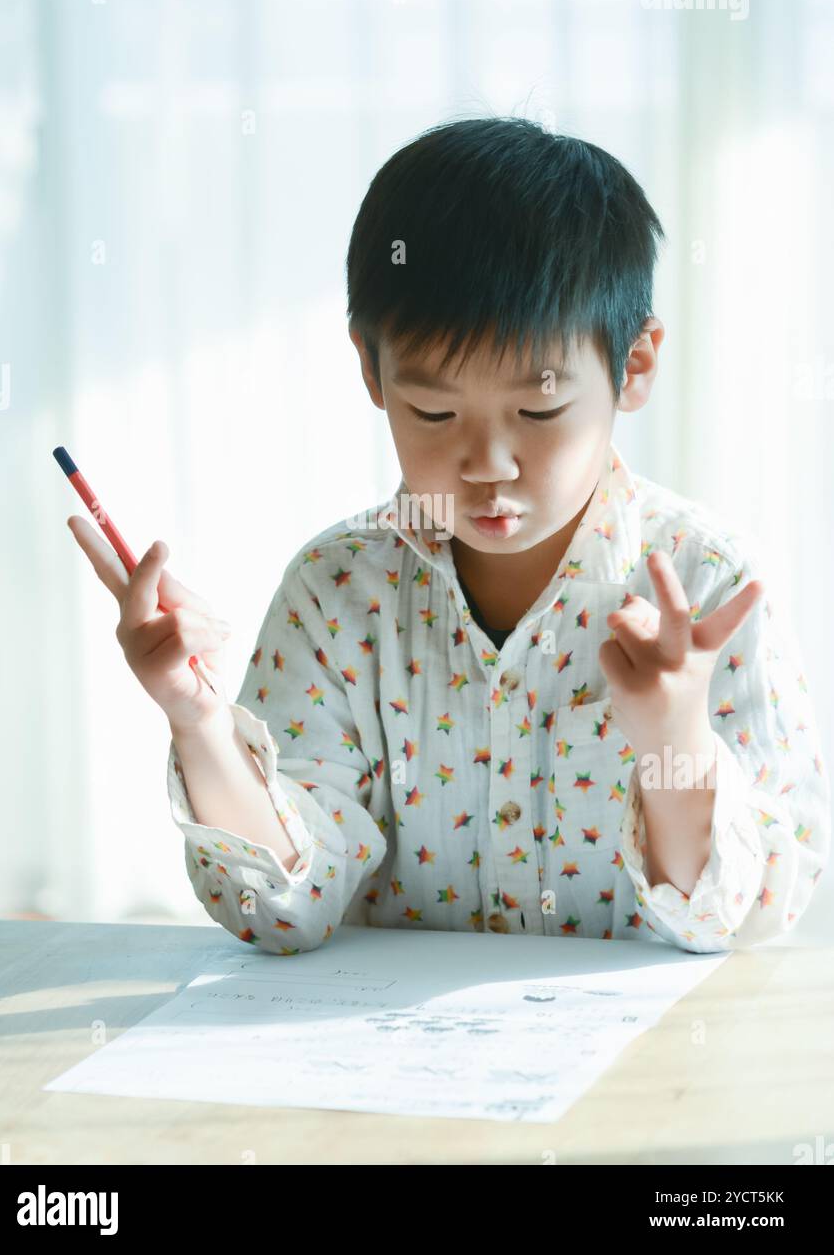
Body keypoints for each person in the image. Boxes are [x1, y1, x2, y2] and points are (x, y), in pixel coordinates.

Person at [68, 116, 830, 956]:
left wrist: (674, 744)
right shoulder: (341, 589)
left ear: (633, 365)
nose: (487, 465)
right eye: (433, 412)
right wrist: (199, 721)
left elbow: (743, 917)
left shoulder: (706, 587)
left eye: (538, 412)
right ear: (371, 370)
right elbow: (283, 911)